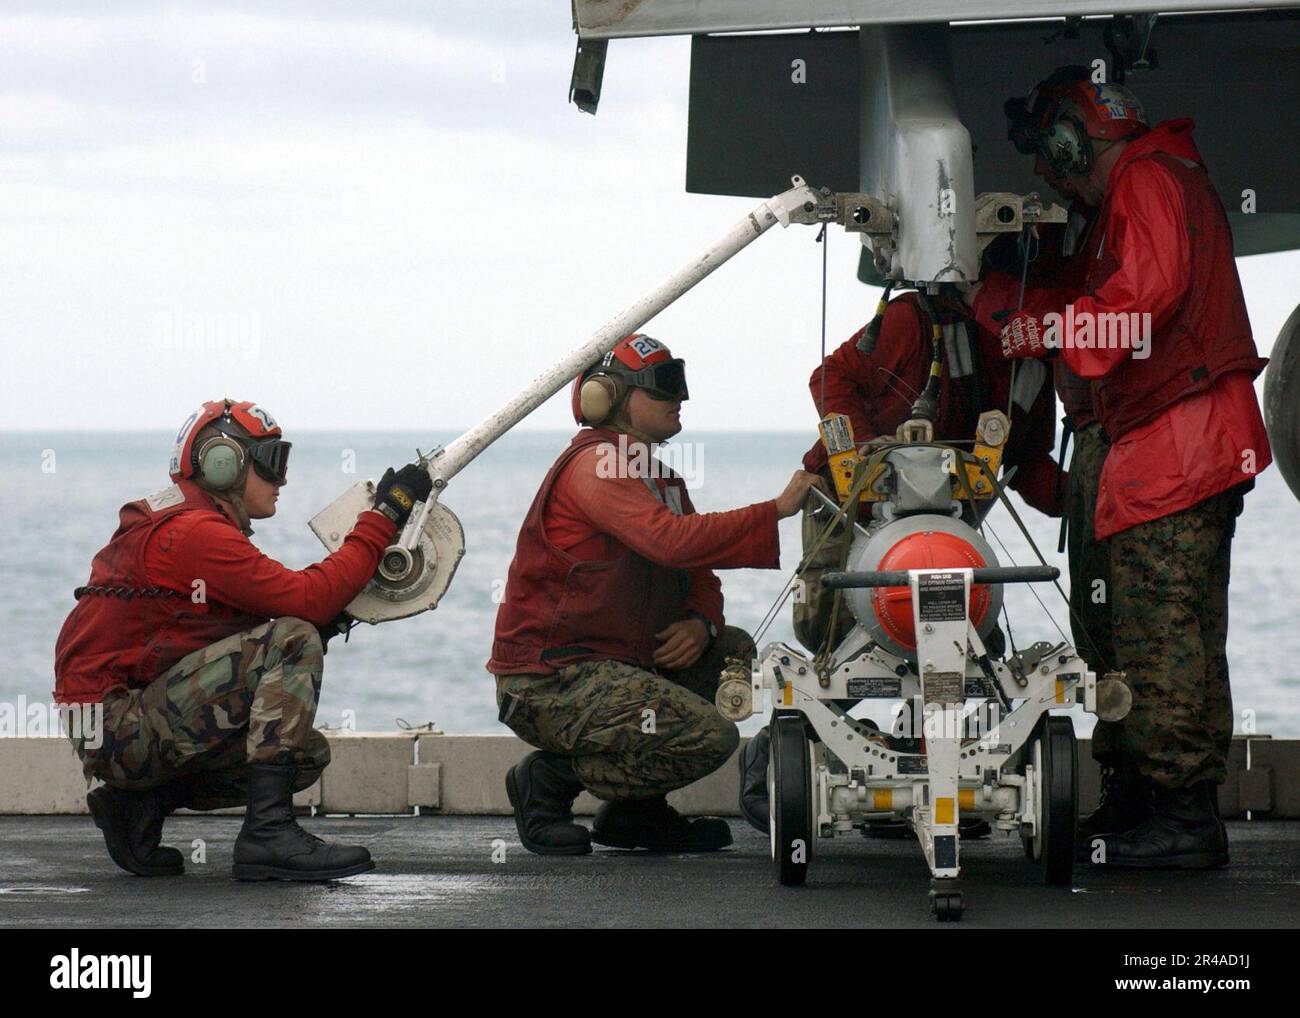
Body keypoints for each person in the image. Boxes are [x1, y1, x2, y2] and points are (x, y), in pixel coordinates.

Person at [967, 75, 1272, 867]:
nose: (1044, 175)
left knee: (1159, 631)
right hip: (1160, 444)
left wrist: (1045, 326)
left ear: (1072, 139)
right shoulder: (1144, 190)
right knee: (1130, 625)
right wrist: (1011, 294)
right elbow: (1104, 292)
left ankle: (1181, 818)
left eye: (1048, 154)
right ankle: (1142, 795)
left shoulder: (1147, 179)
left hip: (1178, 444)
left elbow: (1141, 298)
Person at [737, 281, 1068, 835]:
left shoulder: (1030, 363)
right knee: (839, 645)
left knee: (964, 646)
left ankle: (938, 777)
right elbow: (829, 379)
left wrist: (1081, 500)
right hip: (847, 503)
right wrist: (867, 447)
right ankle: (778, 759)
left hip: (947, 520)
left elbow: (1027, 456)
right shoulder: (910, 320)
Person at [54, 398, 432, 880]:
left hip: (110, 729)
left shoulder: (183, 524)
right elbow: (307, 601)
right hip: (117, 729)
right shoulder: (193, 534)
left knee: (306, 754)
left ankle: (140, 805)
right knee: (293, 639)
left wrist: (327, 619)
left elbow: (227, 636)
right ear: (222, 463)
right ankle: (267, 836)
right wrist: (384, 516)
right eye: (273, 463)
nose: (283, 480)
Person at [489, 334, 827, 855]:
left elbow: (699, 573)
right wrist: (775, 509)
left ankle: (635, 814)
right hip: (553, 678)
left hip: (615, 666)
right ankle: (550, 781)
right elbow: (669, 541)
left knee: (729, 652)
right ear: (611, 398)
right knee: (712, 738)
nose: (680, 399)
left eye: (680, 384)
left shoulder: (656, 477)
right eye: (664, 387)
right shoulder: (596, 466)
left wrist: (702, 624)